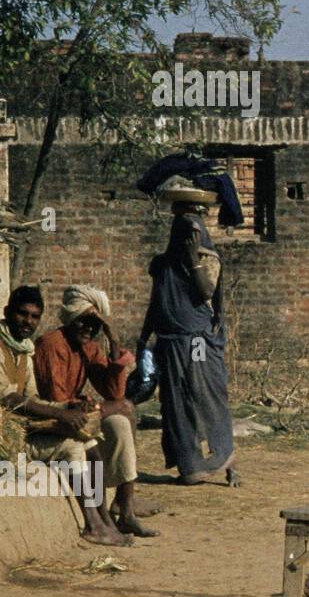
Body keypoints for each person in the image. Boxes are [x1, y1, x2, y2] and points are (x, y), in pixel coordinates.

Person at [0, 286, 131, 546]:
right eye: (22, 314)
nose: (29, 322)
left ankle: (105, 520)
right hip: (6, 435)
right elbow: (9, 398)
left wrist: (69, 408)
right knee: (72, 446)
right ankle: (93, 525)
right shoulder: (47, 345)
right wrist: (62, 412)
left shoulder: (24, 349)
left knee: (92, 439)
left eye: (35, 317)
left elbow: (33, 397)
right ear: (7, 312)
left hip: (21, 425)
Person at [34, 286, 158, 537]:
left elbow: (115, 391)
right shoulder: (52, 344)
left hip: (77, 413)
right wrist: (90, 407)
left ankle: (126, 511)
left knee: (122, 421)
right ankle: (112, 514)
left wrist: (112, 339)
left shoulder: (89, 347)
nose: (89, 330)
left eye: (95, 326)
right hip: (54, 417)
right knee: (125, 408)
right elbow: (57, 401)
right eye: (84, 323)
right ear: (71, 319)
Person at [139, 192, 239, 486]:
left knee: (203, 395)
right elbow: (155, 302)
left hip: (196, 342)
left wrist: (194, 258)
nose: (186, 233)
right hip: (169, 342)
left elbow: (206, 292)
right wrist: (144, 337)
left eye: (192, 228)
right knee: (175, 401)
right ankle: (190, 463)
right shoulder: (163, 264)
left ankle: (225, 457)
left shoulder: (207, 260)